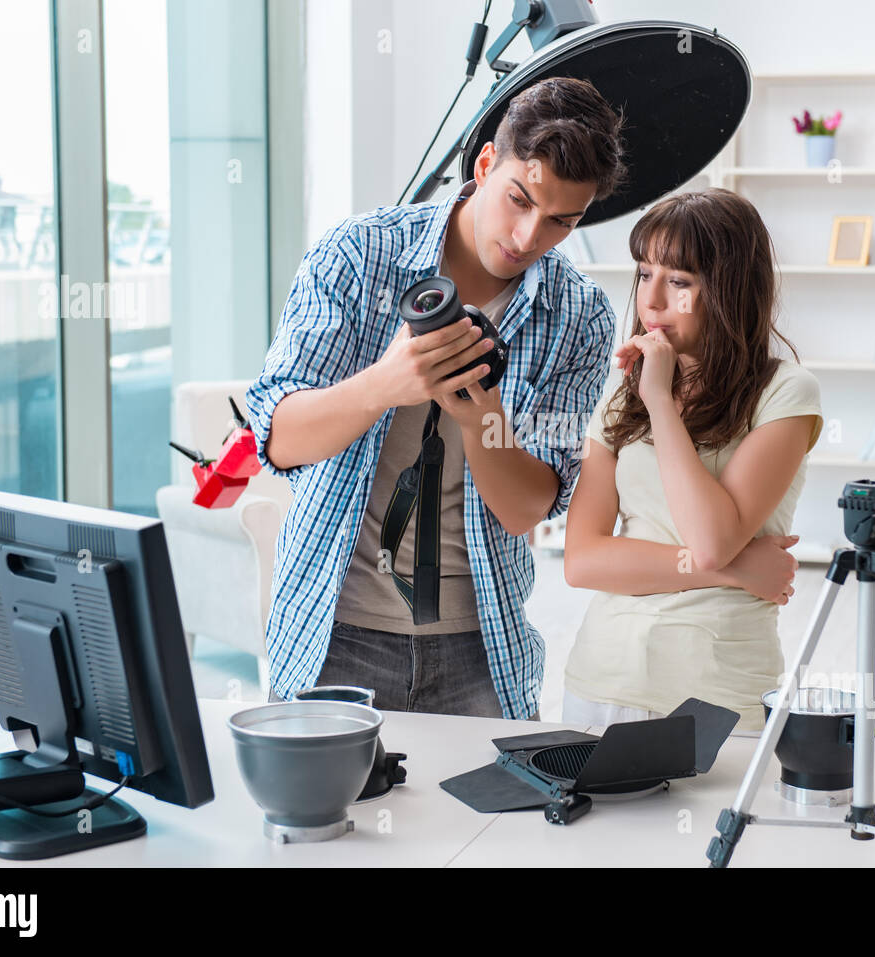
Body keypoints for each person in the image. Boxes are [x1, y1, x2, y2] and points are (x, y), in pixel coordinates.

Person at [244, 77, 628, 719]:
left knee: (493, 823)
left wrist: (481, 415)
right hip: (333, 634)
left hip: (480, 648)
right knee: (325, 819)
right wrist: (387, 383)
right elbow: (279, 440)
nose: (530, 236)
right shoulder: (356, 257)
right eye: (519, 199)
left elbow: (527, 510)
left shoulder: (579, 314)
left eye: (563, 220)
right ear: (484, 164)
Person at [561, 188, 824, 733]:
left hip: (718, 691)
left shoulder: (786, 393)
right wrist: (738, 569)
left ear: (729, 290)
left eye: (679, 281)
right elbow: (582, 560)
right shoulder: (620, 393)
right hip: (604, 679)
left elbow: (709, 540)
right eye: (643, 273)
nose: (651, 300)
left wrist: (660, 400)